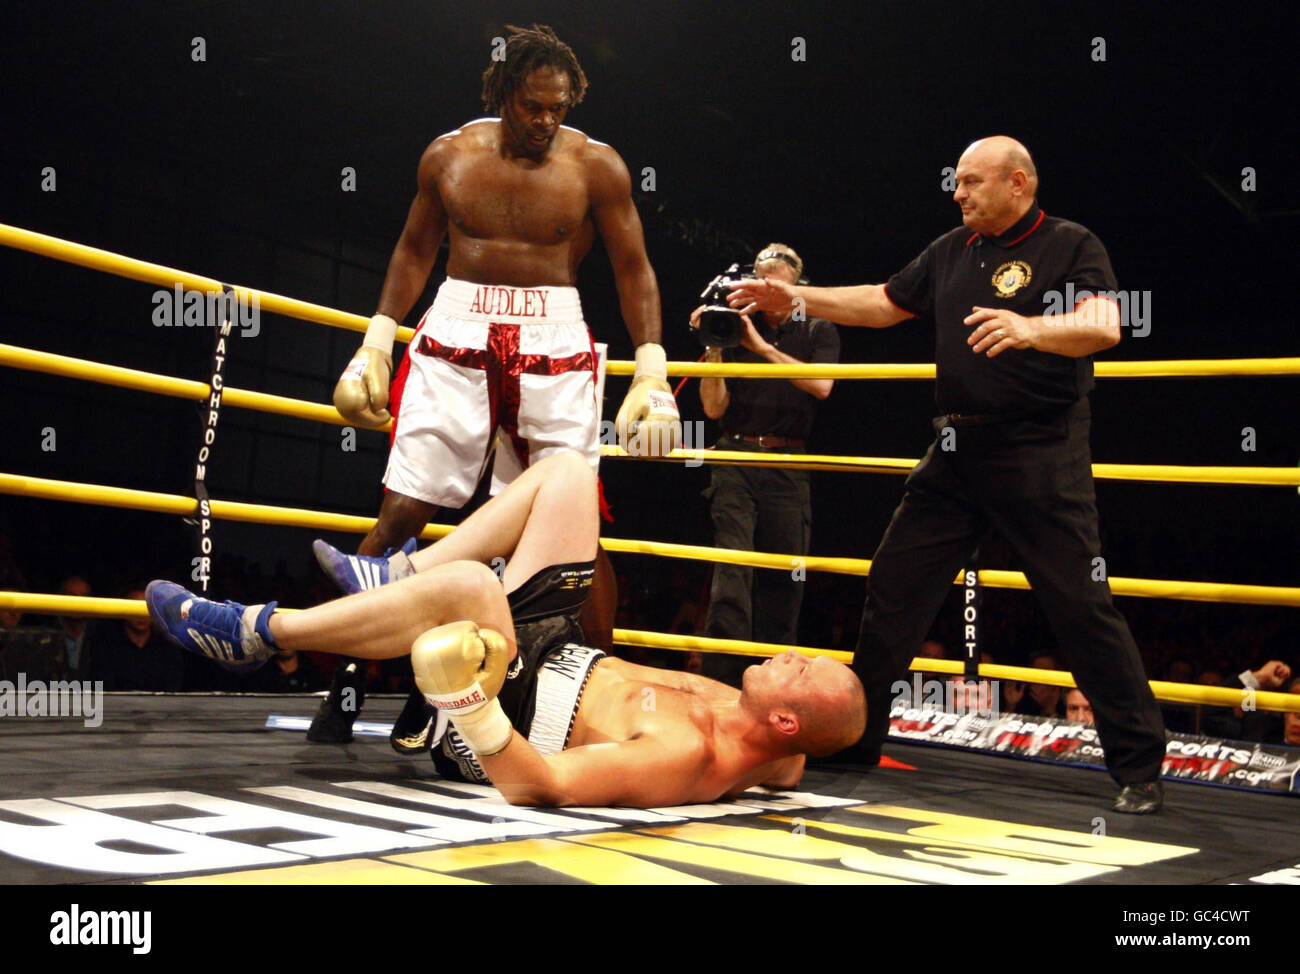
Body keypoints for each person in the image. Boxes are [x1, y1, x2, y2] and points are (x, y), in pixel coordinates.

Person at [729, 135, 1168, 814]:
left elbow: (1105, 324)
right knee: (894, 586)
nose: (957, 193)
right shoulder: (950, 250)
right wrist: (798, 299)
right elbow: (882, 302)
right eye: (956, 182)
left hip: (1040, 450)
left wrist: (1031, 331)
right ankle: (857, 738)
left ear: (1017, 183)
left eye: (970, 182)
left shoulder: (1070, 243)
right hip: (957, 450)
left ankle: (1139, 767)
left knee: (1079, 605)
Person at [314, 24, 680, 744]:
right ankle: (347, 683)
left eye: (559, 108)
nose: (547, 121)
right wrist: (377, 342)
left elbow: (633, 267)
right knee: (402, 512)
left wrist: (653, 368)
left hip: (555, 335)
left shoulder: (597, 167)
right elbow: (416, 248)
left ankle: (585, 690)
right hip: (456, 326)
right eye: (534, 106)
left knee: (571, 526)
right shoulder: (449, 156)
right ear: (504, 92)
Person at [146, 452, 865, 807]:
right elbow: (798, 757)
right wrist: (807, 739)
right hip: (554, 650)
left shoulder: (684, 754)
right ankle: (398, 575)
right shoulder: (778, 752)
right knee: (570, 477)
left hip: (504, 710)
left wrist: (465, 703)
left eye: (801, 671)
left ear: (784, 718)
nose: (790, 653)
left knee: (471, 587)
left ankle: (257, 633)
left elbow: (541, 784)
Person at [692, 244, 838, 684]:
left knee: (783, 576)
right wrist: (715, 348)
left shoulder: (817, 327)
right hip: (734, 455)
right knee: (732, 568)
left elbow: (822, 385)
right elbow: (714, 410)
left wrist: (759, 347)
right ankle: (721, 684)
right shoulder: (734, 325)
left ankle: (776, 684)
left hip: (788, 462)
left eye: (775, 284)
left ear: (795, 287)